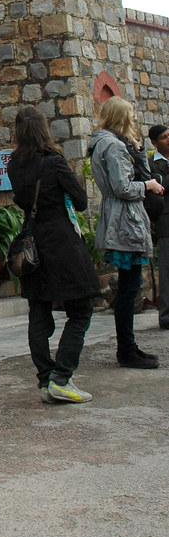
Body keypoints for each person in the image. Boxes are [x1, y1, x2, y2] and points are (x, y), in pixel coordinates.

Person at [7, 106, 99, 404]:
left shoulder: (14, 164)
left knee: (39, 312)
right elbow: (82, 201)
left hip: (33, 242)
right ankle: (62, 377)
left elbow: (22, 201)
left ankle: (46, 380)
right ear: (44, 129)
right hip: (61, 241)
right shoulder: (53, 162)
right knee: (81, 309)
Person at [87, 97, 164, 369]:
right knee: (129, 287)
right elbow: (123, 187)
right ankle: (126, 348)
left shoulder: (104, 143)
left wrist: (137, 151)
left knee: (129, 286)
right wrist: (150, 186)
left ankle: (128, 346)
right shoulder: (113, 146)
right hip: (125, 217)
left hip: (118, 215)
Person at [148, 124, 169, 330]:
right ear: (154, 143)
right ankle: (166, 316)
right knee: (167, 268)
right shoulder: (151, 165)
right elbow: (157, 186)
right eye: (164, 137)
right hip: (165, 220)